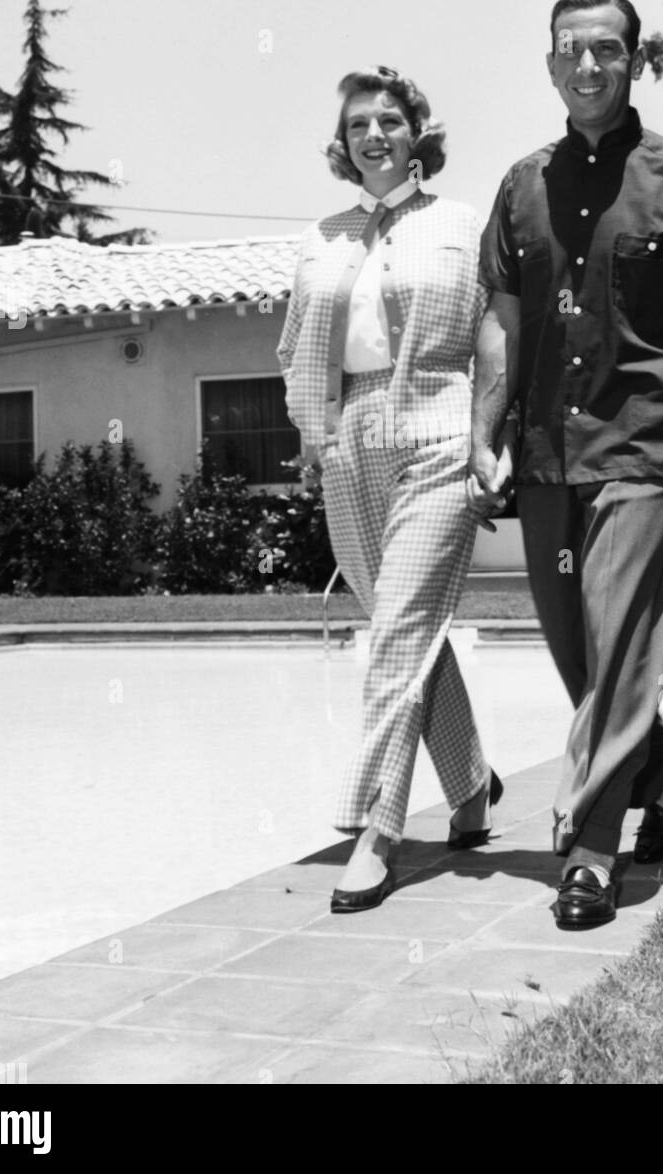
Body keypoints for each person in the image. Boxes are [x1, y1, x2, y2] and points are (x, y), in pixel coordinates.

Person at [467, 0, 663, 930]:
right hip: (549, 455)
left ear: (633, 61)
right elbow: (503, 319)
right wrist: (483, 432)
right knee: (581, 657)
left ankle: (590, 853)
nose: (589, 66)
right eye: (571, 50)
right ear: (549, 62)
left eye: (607, 49)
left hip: (645, 447)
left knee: (622, 650)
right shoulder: (521, 187)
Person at [277, 66, 504, 913]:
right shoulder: (322, 236)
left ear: (418, 133)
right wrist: (313, 436)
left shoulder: (461, 225)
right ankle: (473, 787)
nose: (375, 133)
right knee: (410, 630)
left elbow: (494, 337)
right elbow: (300, 343)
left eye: (391, 119)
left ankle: (375, 830)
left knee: (397, 634)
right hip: (349, 441)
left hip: (440, 428)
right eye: (359, 124)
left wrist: (489, 438)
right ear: (343, 145)